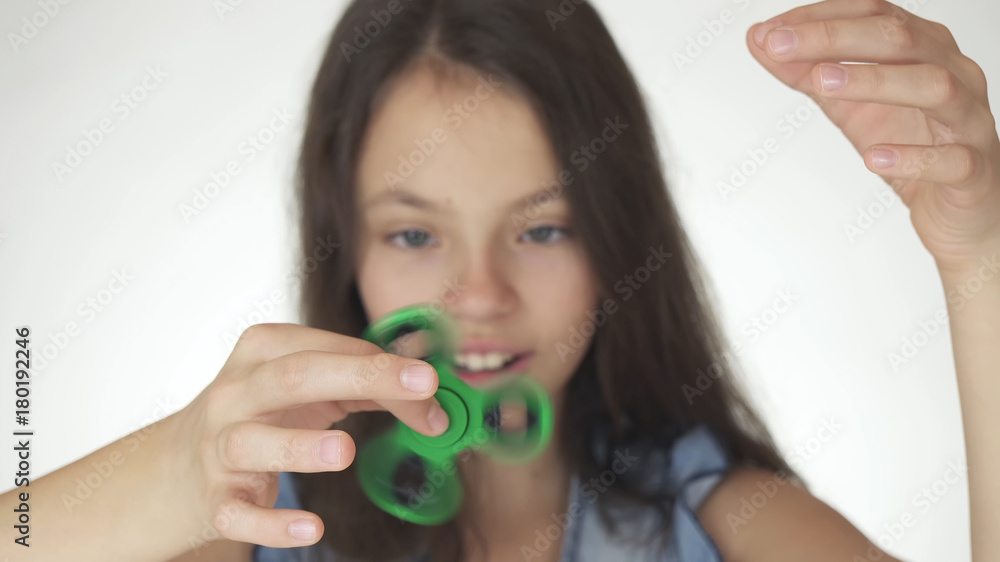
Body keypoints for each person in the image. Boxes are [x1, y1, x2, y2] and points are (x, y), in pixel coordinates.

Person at [4, 0, 998, 560]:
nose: (478, 294)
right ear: (342, 246)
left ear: (617, 237)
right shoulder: (261, 525)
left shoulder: (730, 525)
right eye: (412, 236)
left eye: (543, 227)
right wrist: (169, 469)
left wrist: (977, 256)